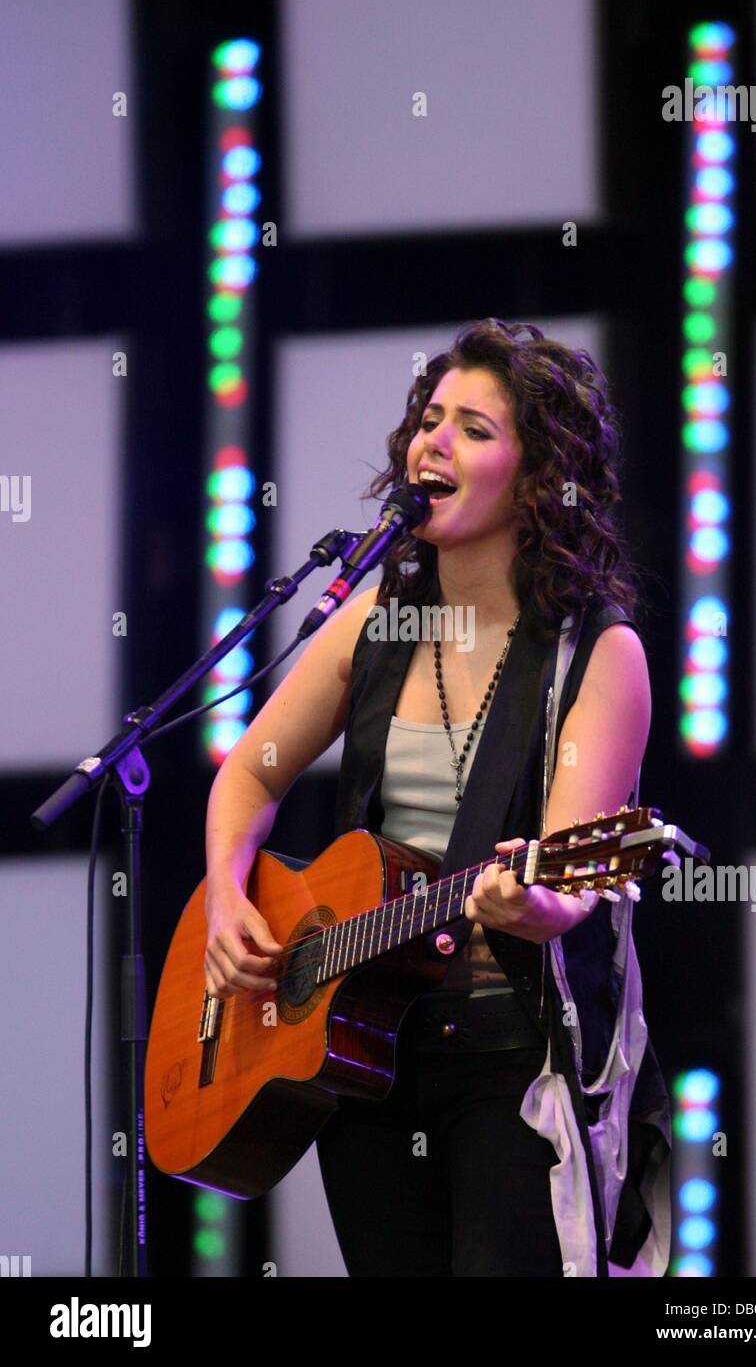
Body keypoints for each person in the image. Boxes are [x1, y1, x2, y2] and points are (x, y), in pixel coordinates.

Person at [203, 318, 671, 1277]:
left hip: (508, 1062)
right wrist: (223, 892)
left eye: (474, 429)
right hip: (365, 1056)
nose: (434, 441)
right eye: (430, 417)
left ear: (538, 474)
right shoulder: (376, 619)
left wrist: (535, 901)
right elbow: (248, 772)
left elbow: (570, 884)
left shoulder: (596, 655)